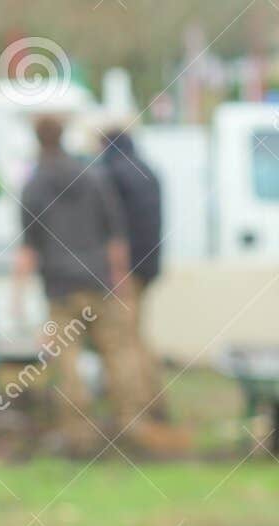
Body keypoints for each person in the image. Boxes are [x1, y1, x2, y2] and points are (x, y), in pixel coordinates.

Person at [14, 115, 178, 457]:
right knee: (119, 352)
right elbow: (115, 236)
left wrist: (17, 296)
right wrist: (119, 280)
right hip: (99, 281)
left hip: (60, 288)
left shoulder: (34, 186)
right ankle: (131, 423)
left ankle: (79, 435)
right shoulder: (94, 177)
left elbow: (29, 249)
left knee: (67, 362)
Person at [97, 126, 167, 419]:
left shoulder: (113, 175)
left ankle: (139, 405)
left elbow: (116, 228)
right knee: (137, 334)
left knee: (125, 339)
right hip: (150, 265)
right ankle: (154, 401)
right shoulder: (148, 171)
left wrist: (116, 272)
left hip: (127, 269)